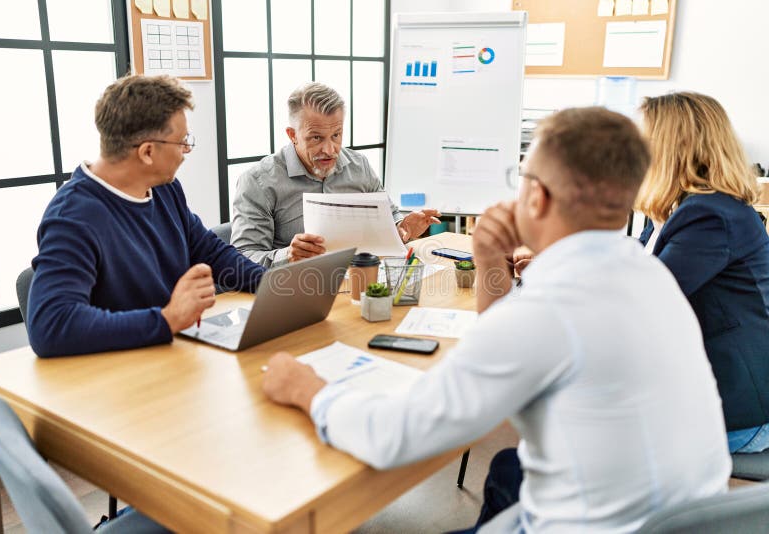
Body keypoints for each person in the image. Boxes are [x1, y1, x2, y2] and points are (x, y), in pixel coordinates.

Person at [262, 107, 731, 532]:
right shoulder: (645, 271)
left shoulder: (549, 311)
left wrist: (308, 390)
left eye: (522, 175)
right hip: (679, 518)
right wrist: (489, 263)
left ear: (538, 196)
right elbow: (501, 352)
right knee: (510, 469)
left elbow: (395, 437)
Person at [28, 75, 265, 358]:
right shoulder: (73, 216)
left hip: (171, 355)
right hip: (117, 375)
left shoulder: (165, 189)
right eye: (182, 141)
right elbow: (51, 326)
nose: (186, 150)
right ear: (148, 152)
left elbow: (210, 251)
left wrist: (275, 286)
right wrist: (167, 319)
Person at [636, 92, 769, 454]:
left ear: (671, 148)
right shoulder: (679, 208)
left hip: (739, 411)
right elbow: (635, 266)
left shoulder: (710, 215)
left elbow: (643, 296)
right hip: (708, 387)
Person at [231, 82, 441, 267]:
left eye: (336, 135)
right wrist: (287, 255)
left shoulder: (359, 166)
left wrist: (402, 227)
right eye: (316, 138)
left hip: (359, 282)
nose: (330, 150)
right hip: (292, 290)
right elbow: (241, 259)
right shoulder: (257, 182)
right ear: (293, 135)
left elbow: (389, 214)